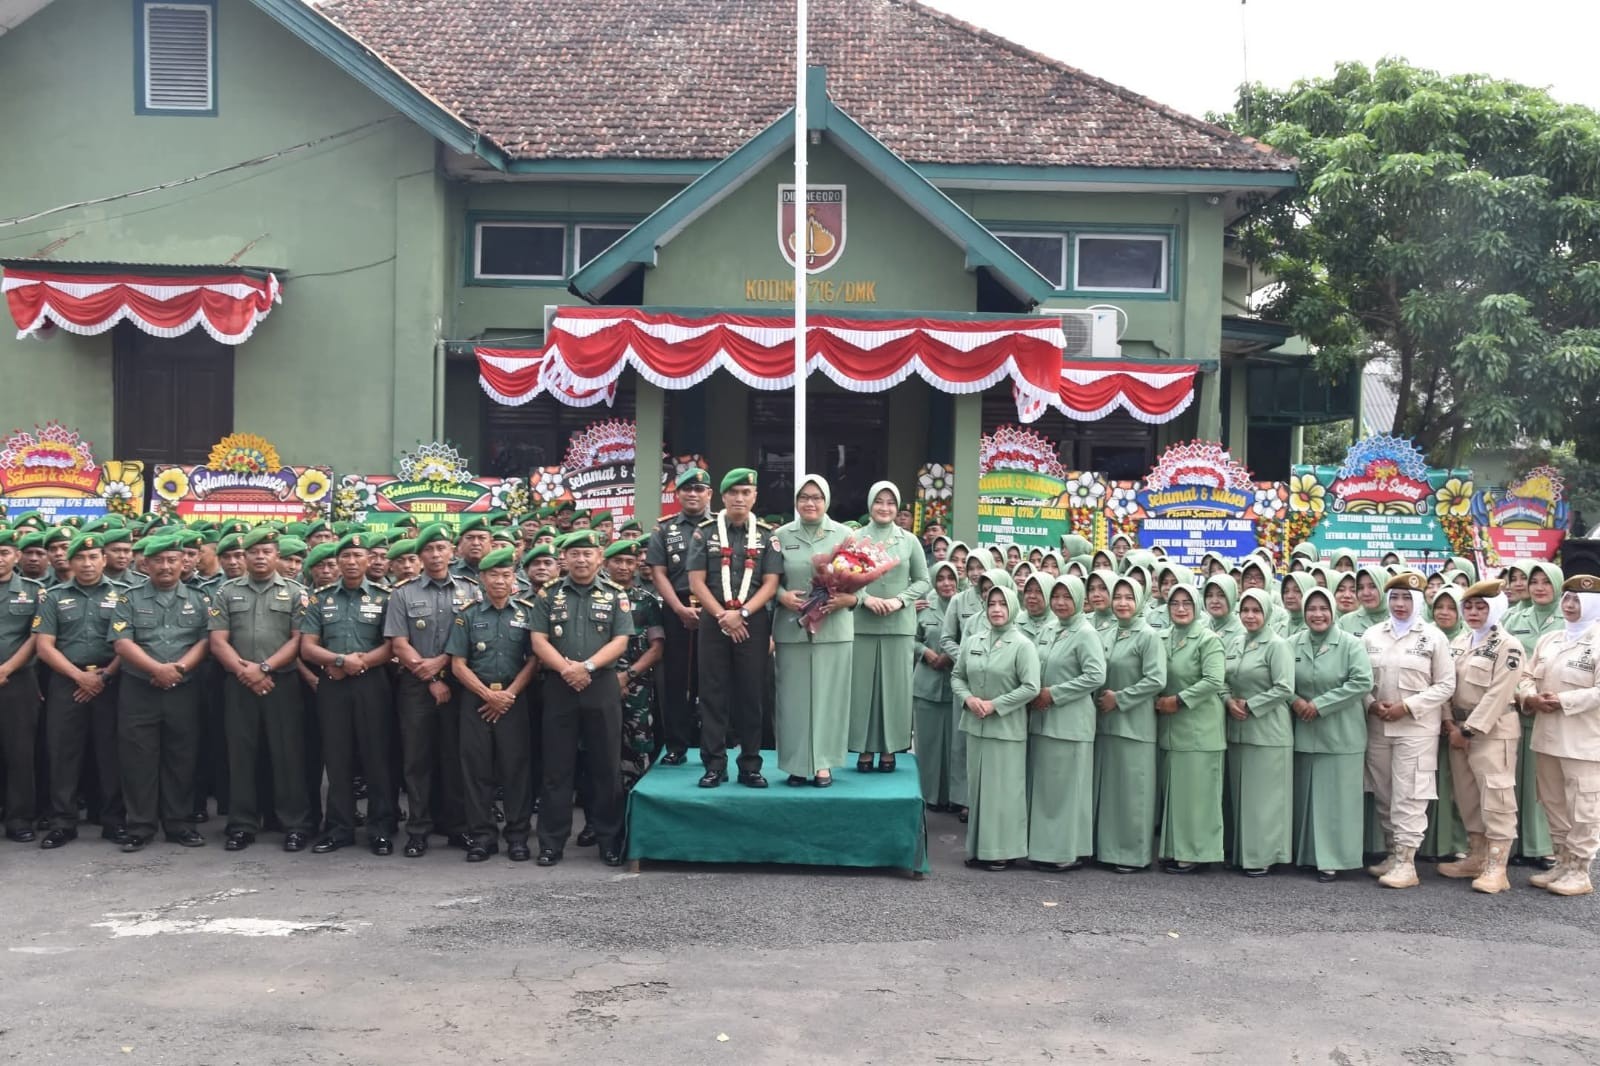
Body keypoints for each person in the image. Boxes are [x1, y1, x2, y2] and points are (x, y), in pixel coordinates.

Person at [528, 529, 633, 866]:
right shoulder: (548, 595)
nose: (582, 559)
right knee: (557, 769)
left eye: (588, 553)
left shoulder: (616, 595)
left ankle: (608, 840)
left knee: (605, 767)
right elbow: (538, 640)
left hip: (601, 685)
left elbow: (621, 640)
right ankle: (551, 843)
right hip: (559, 686)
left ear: (599, 558)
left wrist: (586, 666)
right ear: (565, 559)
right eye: (575, 554)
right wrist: (566, 670)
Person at [206, 527, 313, 853]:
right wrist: (244, 670)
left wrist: (264, 668)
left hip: (282, 683)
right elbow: (217, 640)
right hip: (239, 683)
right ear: (245, 557)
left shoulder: (296, 593)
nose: (260, 557)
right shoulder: (225, 592)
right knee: (241, 755)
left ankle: (294, 823)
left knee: (288, 755)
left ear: (276, 556)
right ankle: (242, 824)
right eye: (253, 552)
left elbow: (299, 639)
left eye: (267, 551)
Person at [107, 536, 212, 852]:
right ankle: (140, 825)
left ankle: (179, 823)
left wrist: (176, 670)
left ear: (183, 563)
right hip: (140, 689)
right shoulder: (129, 598)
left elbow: (206, 641)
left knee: (181, 757)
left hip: (184, 689)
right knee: (138, 758)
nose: (166, 566)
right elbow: (122, 642)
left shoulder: (200, 598)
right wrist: (157, 669)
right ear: (146, 564)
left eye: (172, 560)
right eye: (159, 561)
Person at [384, 522, 481, 858]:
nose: (436, 555)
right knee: (417, 759)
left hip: (459, 682)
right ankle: (418, 829)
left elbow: (472, 639)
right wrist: (429, 677)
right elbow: (398, 642)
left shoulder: (471, 590)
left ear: (451, 551)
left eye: (441, 548)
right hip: (416, 685)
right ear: (419, 555)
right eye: (429, 550)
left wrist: (441, 664)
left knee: (456, 757)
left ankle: (456, 827)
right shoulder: (403, 593)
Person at [298, 533, 397, 856]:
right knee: (337, 757)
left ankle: (380, 828)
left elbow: (393, 644)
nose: (352, 562)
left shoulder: (386, 596)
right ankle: (338, 828)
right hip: (333, 683)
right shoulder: (320, 599)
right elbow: (308, 646)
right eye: (346, 557)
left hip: (373, 682)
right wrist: (339, 661)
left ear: (369, 560)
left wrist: (360, 662)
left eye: (358, 556)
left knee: (377, 757)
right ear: (337, 563)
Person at [686, 469, 782, 788]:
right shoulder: (704, 532)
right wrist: (724, 616)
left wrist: (740, 613)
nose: (739, 498)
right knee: (712, 693)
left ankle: (750, 765)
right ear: (723, 497)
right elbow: (696, 582)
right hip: (714, 620)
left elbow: (771, 583)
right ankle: (714, 764)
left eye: (746, 492)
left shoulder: (767, 535)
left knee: (752, 694)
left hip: (752, 619)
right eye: (733, 492)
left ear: (754, 496)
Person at [33, 533, 128, 848]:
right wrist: (78, 676)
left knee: (111, 753)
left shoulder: (125, 595)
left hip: (110, 681)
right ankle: (63, 822)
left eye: (93, 557)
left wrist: (102, 677)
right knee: (63, 753)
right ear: (70, 562)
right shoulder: (53, 597)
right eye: (80, 558)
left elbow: (127, 643)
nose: (87, 564)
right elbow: (44, 647)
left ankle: (113, 820)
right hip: (66, 682)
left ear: (103, 559)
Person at [1363, 572, 1456, 888]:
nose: (1399, 604)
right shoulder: (1373, 635)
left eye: (1406, 598)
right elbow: (1359, 679)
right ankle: (1392, 852)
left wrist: (1409, 706)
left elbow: (1446, 684)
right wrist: (1370, 704)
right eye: (1395, 598)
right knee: (1384, 792)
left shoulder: (1432, 637)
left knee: (1410, 794)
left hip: (1415, 729)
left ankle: (1406, 861)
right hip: (1378, 726)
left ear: (1417, 601)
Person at [447, 548, 538, 863]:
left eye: (506, 575)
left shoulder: (527, 612)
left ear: (514, 578)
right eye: (493, 575)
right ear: (482, 578)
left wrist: (508, 695)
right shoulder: (467, 614)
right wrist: (488, 696)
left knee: (516, 770)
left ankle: (517, 836)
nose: (500, 581)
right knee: (476, 771)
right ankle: (482, 837)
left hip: (515, 700)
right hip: (476, 701)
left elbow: (534, 660)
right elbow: (458, 664)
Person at [1434, 579, 1523, 893]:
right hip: (1458, 731)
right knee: (1468, 798)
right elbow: (1445, 685)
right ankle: (1476, 856)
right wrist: (1450, 725)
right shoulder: (1460, 641)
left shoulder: (1508, 646)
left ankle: (1498, 869)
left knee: (1497, 799)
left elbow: (1499, 694)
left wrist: (1469, 730)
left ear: (1495, 609)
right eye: (1468, 606)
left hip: (1492, 733)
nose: (1473, 612)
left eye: (1481, 607)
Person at [768, 475, 856, 787]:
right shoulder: (780, 536)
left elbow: (860, 579)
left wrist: (848, 598)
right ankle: (796, 764)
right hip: (792, 629)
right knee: (792, 699)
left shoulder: (845, 535)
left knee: (829, 698)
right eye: (804, 496)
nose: (810, 502)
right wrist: (782, 596)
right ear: (795, 501)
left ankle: (823, 764)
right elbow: (768, 579)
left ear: (827, 500)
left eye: (817, 497)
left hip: (834, 629)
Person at [1516, 576, 1600, 896]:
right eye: (1566, 599)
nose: (1568, 605)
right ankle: (1562, 862)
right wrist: (1529, 697)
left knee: (1585, 806)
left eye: (1576, 600)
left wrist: (1563, 701)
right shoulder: (1550, 640)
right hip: (1547, 735)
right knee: (1552, 802)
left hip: (1584, 741)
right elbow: (1525, 675)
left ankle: (1580, 869)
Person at [952, 585, 1040, 870]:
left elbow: (1031, 687)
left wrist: (996, 704)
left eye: (1003, 604)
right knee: (979, 791)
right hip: (976, 726)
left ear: (1013, 607)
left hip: (1006, 729)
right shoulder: (974, 639)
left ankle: (1003, 850)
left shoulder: (1023, 644)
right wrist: (968, 699)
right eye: (992, 604)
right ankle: (978, 848)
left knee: (1003, 791)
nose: (997, 609)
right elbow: (957, 676)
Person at [1291, 587, 1374, 881]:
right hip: (1305, 732)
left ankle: (1335, 858)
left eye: (1323, 608)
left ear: (1333, 611)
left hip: (1341, 734)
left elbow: (1362, 682)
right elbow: (1280, 678)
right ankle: (1307, 855)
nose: (1317, 614)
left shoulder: (1351, 644)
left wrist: (1320, 705)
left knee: (1337, 801)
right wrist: (1296, 701)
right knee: (1307, 797)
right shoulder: (1292, 643)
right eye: (1311, 609)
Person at [850, 481, 930, 773]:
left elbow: (923, 579)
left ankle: (890, 748)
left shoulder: (909, 540)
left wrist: (900, 600)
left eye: (891, 503)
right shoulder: (855, 538)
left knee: (895, 690)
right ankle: (864, 748)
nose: (885, 508)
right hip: (862, 624)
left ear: (898, 508)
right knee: (862, 689)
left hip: (898, 625)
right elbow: (844, 578)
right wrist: (865, 599)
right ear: (870, 505)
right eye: (879, 502)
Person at [1026, 574, 1105, 871]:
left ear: (1080, 601)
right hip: (1044, 720)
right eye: (1056, 597)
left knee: (1067, 792)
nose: (1059, 603)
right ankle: (1046, 848)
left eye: (1066, 597)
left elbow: (1095, 676)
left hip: (1070, 723)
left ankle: (1066, 852)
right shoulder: (1050, 628)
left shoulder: (1085, 632)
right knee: (1048, 790)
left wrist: (1055, 694)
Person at [1094, 574, 1166, 872]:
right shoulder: (1108, 632)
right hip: (1107, 724)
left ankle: (1132, 854)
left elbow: (1156, 679)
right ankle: (1107, 850)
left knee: (1133, 792)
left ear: (1140, 601)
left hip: (1134, 725)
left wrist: (1120, 698)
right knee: (1111, 792)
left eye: (1129, 597)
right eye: (1118, 597)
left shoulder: (1148, 636)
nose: (1122, 603)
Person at [1155, 584, 1227, 873]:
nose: (1181, 609)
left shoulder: (1208, 640)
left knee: (1199, 796)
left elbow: (1214, 680)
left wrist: (1180, 700)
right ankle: (1176, 849)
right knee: (1179, 795)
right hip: (1172, 729)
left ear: (1197, 608)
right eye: (1175, 603)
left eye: (1187, 603)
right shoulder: (1163, 637)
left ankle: (1198, 853)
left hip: (1201, 728)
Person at [646, 467, 714, 765]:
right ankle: (676, 745)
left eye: (700, 490)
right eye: (687, 489)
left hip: (716, 610)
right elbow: (658, 573)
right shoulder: (664, 529)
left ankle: (716, 745)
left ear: (709, 494)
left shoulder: (720, 527)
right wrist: (678, 608)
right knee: (677, 681)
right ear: (678, 494)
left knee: (715, 679)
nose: (693, 494)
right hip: (677, 607)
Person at [1224, 589, 1295, 875]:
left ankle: (1264, 856)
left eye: (1256, 610)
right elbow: (1224, 679)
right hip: (1239, 729)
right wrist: (1228, 701)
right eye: (1245, 610)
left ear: (1267, 613)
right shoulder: (1236, 641)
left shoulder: (1277, 645)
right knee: (1244, 797)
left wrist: (1252, 705)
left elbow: (1284, 687)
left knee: (1265, 800)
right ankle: (1244, 853)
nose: (1250, 616)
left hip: (1268, 731)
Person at [1504, 561, 1564, 870]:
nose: (1539, 587)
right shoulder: (1514, 617)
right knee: (1514, 780)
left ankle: (1545, 846)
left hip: (1553, 709)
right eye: (1534, 581)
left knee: (1545, 782)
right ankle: (1514, 844)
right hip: (1517, 705)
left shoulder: (1568, 619)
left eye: (1546, 582)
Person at [603, 538, 664, 790]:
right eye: (618, 561)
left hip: (638, 686)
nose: (624, 567)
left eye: (630, 561)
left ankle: (637, 804)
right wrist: (611, 678)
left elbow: (657, 646)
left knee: (639, 746)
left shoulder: (646, 600)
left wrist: (626, 676)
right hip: (599, 682)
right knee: (600, 747)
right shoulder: (595, 598)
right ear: (605, 563)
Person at [1421, 587, 1471, 863]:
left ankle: (1456, 842)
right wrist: (1442, 717)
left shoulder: (1469, 639)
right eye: (1439, 606)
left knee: (1458, 787)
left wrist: (1452, 721)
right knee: (1428, 782)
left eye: (1451, 607)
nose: (1444, 612)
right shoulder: (1424, 637)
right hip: (1430, 720)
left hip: (1460, 725)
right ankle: (1429, 843)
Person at [0, 529, 44, 842]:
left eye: (4, 552)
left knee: (19, 752)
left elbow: (36, 638)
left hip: (17, 681)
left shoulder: (35, 591)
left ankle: (18, 818)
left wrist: (7, 668)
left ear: (16, 555)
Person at [914, 561, 960, 810]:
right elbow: (909, 638)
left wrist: (950, 656)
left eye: (950, 578)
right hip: (927, 687)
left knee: (954, 748)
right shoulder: (923, 607)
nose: (946, 583)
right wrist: (926, 653)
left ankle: (953, 796)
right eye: (940, 578)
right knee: (929, 745)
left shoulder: (965, 607)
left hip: (955, 688)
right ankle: (929, 796)